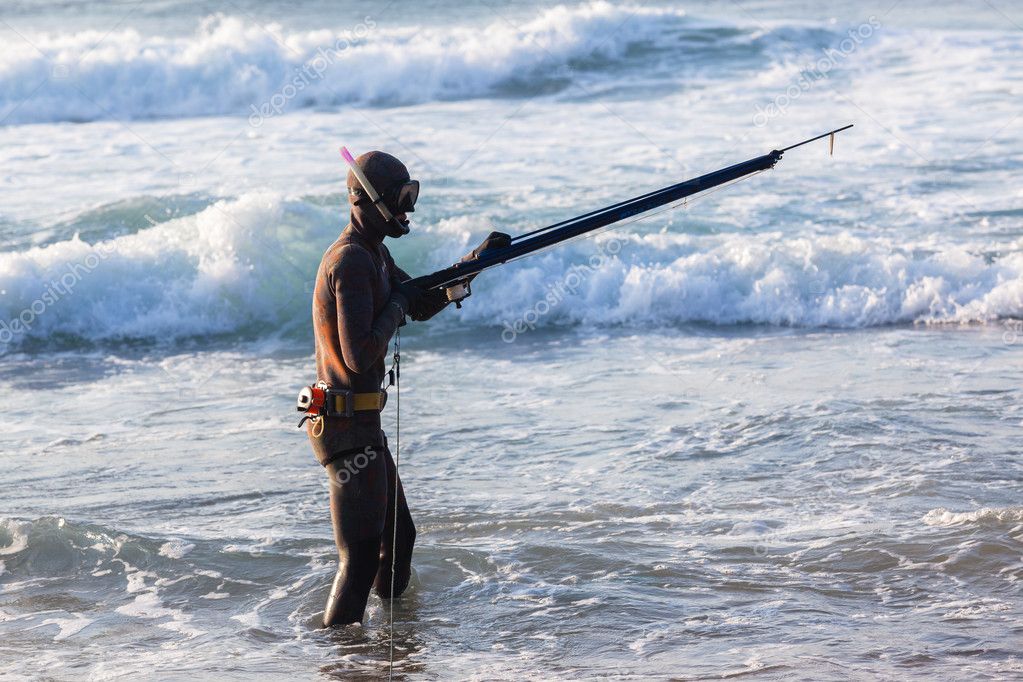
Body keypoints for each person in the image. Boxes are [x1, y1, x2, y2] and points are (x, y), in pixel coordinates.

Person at [308, 150, 509, 626]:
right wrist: (398, 302)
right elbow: (359, 355)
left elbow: (416, 304)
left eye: (411, 195)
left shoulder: (374, 254)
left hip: (360, 422)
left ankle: (382, 645)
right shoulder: (351, 261)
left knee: (399, 542)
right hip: (344, 425)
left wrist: (474, 264)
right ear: (363, 201)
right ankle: (340, 658)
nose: (409, 210)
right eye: (401, 198)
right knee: (358, 561)